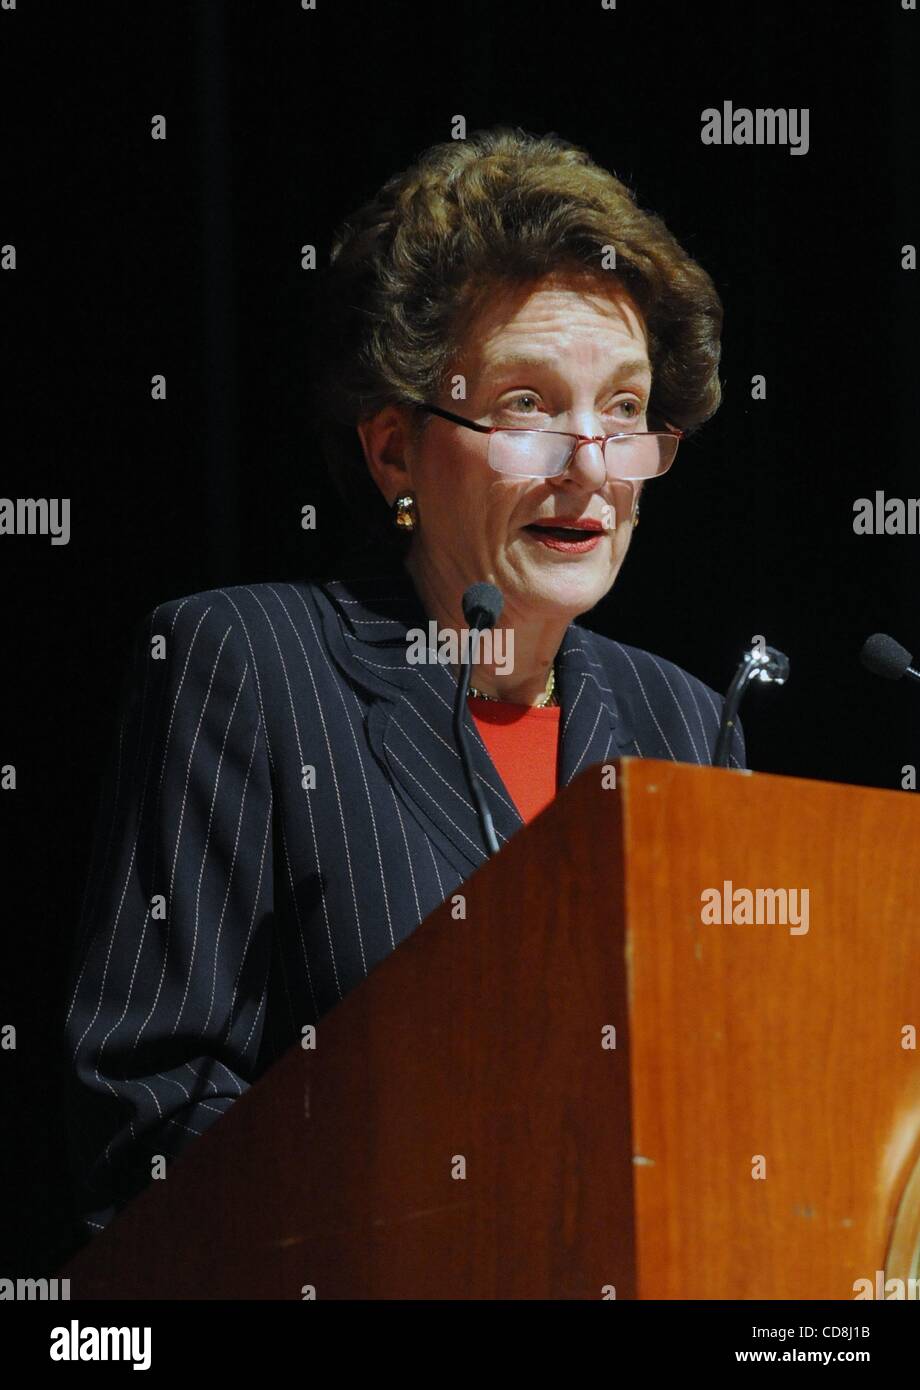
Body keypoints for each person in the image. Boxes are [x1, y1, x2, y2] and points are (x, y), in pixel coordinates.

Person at [63, 126, 745, 1243]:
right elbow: (151, 1114)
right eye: (526, 403)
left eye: (623, 410)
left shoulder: (681, 718)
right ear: (393, 451)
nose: (590, 463)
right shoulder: (248, 666)